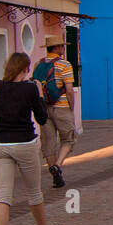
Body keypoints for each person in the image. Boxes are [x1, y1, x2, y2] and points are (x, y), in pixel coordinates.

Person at [0, 52, 62, 225]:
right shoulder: (29, 88)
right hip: (24, 143)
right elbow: (41, 117)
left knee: (3, 195)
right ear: (24, 69)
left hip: (1, 145)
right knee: (34, 192)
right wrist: (38, 94)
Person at [33, 35, 77, 188]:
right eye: (62, 46)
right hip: (61, 106)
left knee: (48, 142)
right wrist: (71, 107)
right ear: (57, 48)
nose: (63, 49)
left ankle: (54, 174)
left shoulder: (38, 64)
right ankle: (57, 165)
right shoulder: (65, 65)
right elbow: (69, 90)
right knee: (68, 139)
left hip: (43, 107)